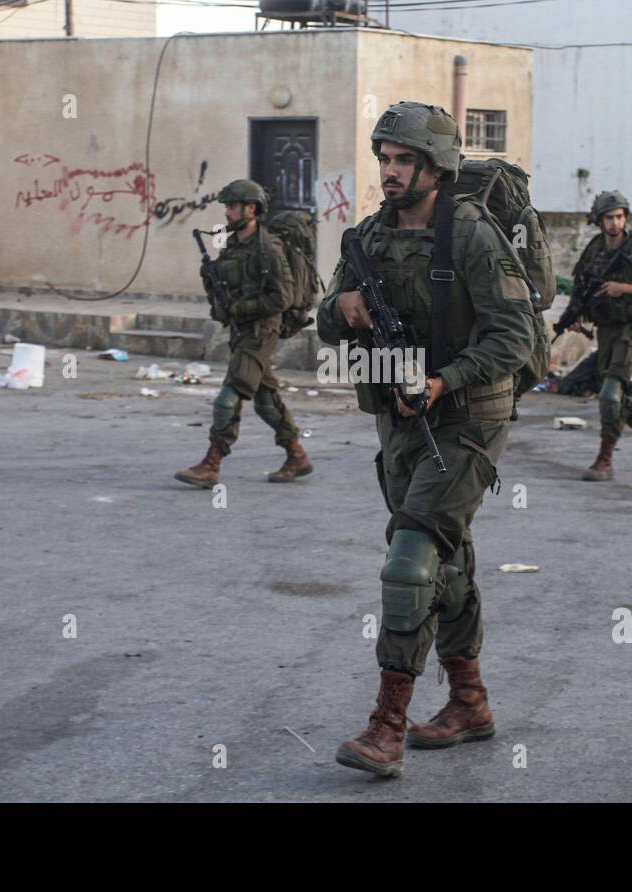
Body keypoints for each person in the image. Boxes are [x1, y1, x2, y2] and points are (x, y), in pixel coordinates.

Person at [316, 102, 535, 778]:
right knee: (448, 560)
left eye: (403, 160)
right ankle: (469, 702)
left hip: (467, 416)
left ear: (434, 166)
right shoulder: (368, 239)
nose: (389, 170)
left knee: (410, 562)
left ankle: (386, 725)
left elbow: (514, 336)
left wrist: (444, 381)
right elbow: (325, 322)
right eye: (384, 158)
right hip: (399, 418)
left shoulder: (469, 235)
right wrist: (342, 309)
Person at [174, 179, 312, 488]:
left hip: (262, 332)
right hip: (243, 332)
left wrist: (240, 309)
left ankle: (212, 462)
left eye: (232, 206)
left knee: (229, 396)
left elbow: (282, 299)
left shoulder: (269, 248)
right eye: (227, 207)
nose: (227, 212)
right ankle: (296, 454)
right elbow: (228, 286)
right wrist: (212, 282)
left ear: (251, 208)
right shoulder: (235, 243)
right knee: (264, 399)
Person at [556, 190, 632, 481]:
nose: (615, 223)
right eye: (609, 217)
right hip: (607, 327)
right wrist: (572, 318)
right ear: (599, 220)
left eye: (620, 217)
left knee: (609, 393)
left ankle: (604, 460)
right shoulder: (595, 249)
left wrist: (627, 289)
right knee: (615, 394)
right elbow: (580, 288)